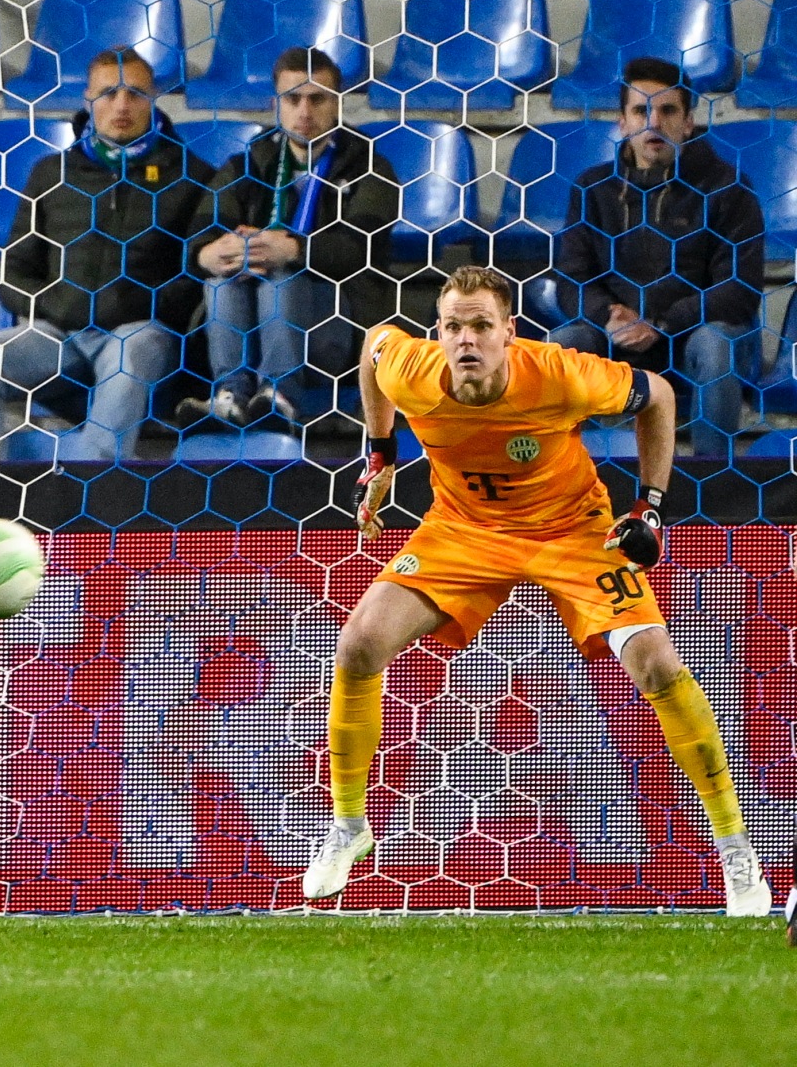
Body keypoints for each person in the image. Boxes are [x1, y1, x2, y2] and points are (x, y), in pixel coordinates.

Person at [310, 265, 770, 915]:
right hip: (463, 530)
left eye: (481, 326)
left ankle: (734, 848)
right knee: (358, 644)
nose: (466, 339)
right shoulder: (413, 370)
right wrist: (381, 454)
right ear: (438, 332)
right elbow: (374, 344)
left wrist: (650, 507)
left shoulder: (559, 375)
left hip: (572, 531)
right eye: (453, 326)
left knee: (658, 666)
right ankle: (348, 827)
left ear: (509, 332)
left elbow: (661, 396)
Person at [0, 48, 216, 463]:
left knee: (129, 352)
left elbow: (197, 275)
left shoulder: (194, 176)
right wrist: (61, 306)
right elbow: (13, 270)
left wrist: (127, 306)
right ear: (88, 100)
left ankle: (93, 487)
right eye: (109, 93)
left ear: (155, 99)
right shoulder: (52, 173)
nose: (121, 105)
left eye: (135, 94)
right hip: (59, 334)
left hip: (141, 333)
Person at [549, 58, 765, 458]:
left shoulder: (728, 187)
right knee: (563, 345)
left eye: (667, 110)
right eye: (640, 111)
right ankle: (569, 471)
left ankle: (711, 475)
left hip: (692, 335)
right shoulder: (593, 188)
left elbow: (740, 289)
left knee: (717, 344)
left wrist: (663, 323)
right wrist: (609, 317)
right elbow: (572, 280)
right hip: (617, 336)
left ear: (688, 122)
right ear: (622, 122)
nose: (654, 122)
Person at [182, 47, 400, 428]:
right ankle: (231, 394)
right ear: (275, 105)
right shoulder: (248, 164)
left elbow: (358, 248)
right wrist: (211, 253)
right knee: (223, 278)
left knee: (283, 276)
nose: (304, 112)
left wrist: (294, 250)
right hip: (248, 325)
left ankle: (279, 394)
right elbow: (201, 232)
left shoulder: (371, 168)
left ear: (337, 104)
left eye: (317, 99)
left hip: (335, 331)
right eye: (293, 99)